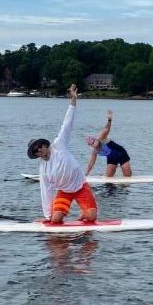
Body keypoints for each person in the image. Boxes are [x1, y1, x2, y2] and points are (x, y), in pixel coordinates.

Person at [27, 84, 97, 223]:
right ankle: (57, 217)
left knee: (91, 217)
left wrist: (73, 100)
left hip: (80, 186)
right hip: (64, 191)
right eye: (36, 150)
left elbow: (67, 123)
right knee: (55, 220)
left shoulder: (59, 144)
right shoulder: (43, 169)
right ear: (36, 155)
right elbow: (45, 191)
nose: (39, 150)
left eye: (39, 146)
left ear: (45, 145)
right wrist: (48, 216)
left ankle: (84, 213)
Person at [84, 109, 134, 178]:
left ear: (95, 139)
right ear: (91, 146)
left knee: (128, 175)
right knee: (109, 176)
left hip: (121, 153)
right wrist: (86, 174)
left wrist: (109, 119)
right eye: (92, 144)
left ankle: (121, 168)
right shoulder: (95, 151)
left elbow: (106, 129)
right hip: (111, 158)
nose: (94, 144)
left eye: (94, 142)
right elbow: (91, 163)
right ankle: (115, 171)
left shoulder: (102, 138)